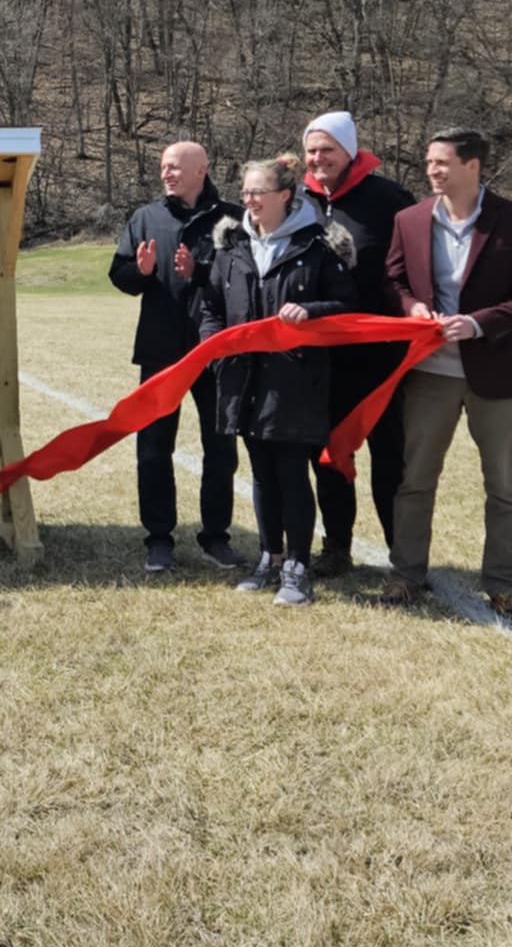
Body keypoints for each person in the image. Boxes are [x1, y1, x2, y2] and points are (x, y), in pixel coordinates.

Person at [382, 128, 512, 624]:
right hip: (429, 374)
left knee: (502, 484)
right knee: (415, 479)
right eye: (429, 161)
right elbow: (392, 280)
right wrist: (412, 306)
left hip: (497, 373)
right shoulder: (409, 220)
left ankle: (503, 584)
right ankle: (406, 576)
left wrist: (479, 324)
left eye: (442, 162)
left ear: (473, 165)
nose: (432, 170)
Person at [196, 154, 357, 607]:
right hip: (243, 380)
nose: (248, 201)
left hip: (296, 379)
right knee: (262, 474)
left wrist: (312, 311)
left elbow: (348, 306)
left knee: (291, 473)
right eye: (245, 192)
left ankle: (298, 566)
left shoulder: (319, 245)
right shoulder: (230, 245)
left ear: (285, 196)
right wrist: (214, 347)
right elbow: (210, 305)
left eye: (258, 193)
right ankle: (269, 555)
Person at [107, 140, 244, 573]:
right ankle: (158, 539)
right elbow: (121, 275)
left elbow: (243, 278)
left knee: (220, 449)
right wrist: (141, 273)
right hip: (161, 350)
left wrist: (201, 275)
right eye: (163, 167)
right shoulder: (145, 218)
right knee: (152, 448)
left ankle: (215, 538)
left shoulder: (232, 218)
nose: (167, 173)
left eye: (175, 167)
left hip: (214, 350)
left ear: (201, 169)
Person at [300, 111, 417, 576]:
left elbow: (412, 265)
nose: (317, 158)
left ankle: (402, 555)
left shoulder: (389, 199)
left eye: (327, 149)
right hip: (323, 353)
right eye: (311, 150)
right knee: (327, 453)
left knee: (390, 457)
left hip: (380, 352)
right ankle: (337, 546)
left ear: (350, 150)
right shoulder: (298, 200)